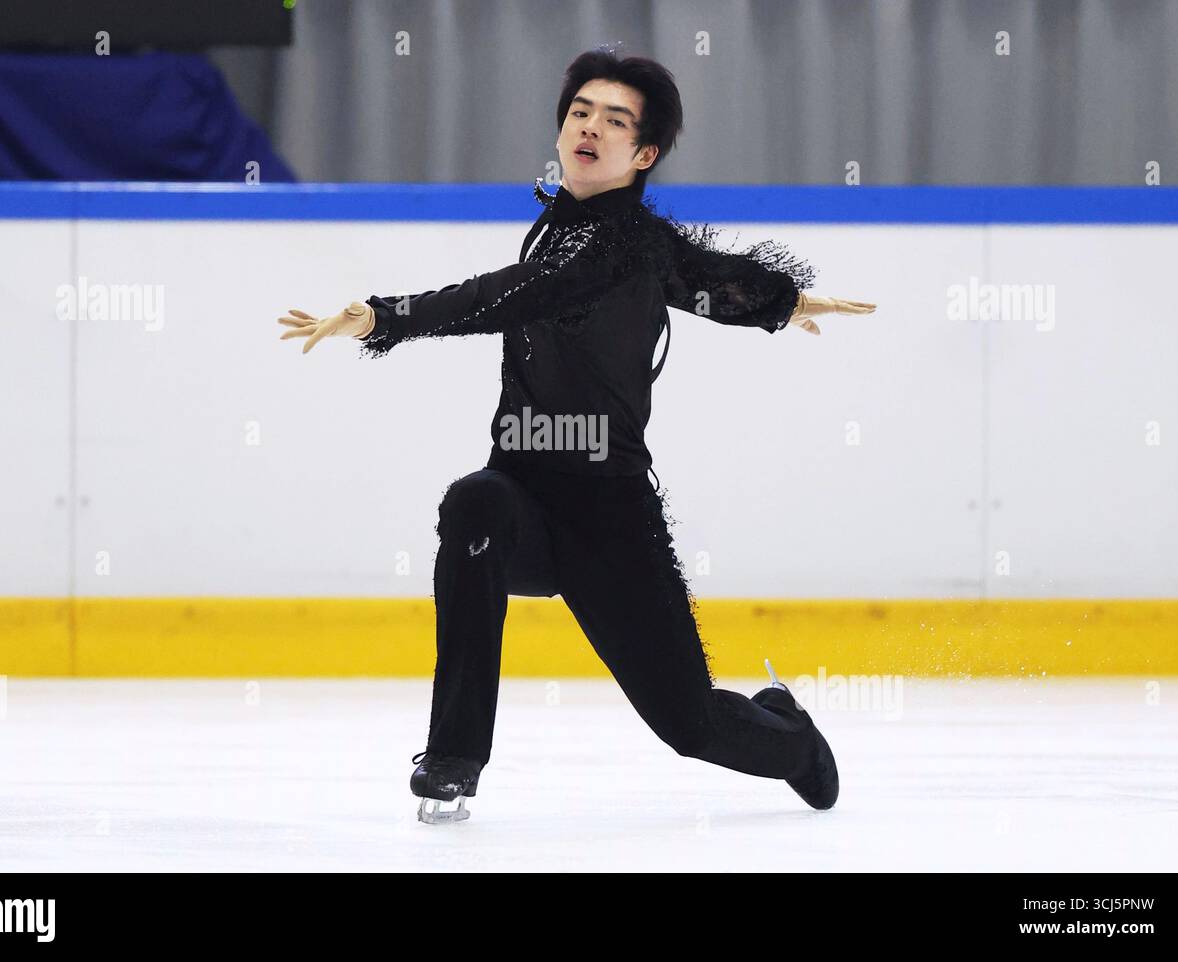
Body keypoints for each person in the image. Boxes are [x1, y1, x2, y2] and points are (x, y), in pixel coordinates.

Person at [277, 48, 875, 824]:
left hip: (609, 520)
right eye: (581, 112)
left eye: (616, 120)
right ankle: (454, 757)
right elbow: (702, 277)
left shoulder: (618, 241)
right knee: (473, 508)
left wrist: (387, 316)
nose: (591, 127)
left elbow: (516, 295)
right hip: (521, 498)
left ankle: (792, 739)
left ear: (644, 153)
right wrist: (777, 301)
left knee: (689, 725)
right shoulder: (566, 226)